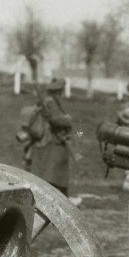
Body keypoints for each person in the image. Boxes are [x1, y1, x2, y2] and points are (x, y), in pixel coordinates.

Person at [24, 77, 82, 205]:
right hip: (49, 140)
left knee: (48, 172)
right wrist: (67, 119)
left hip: (45, 139)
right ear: (58, 91)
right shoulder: (51, 102)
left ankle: (60, 197)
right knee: (55, 168)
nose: (61, 94)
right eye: (60, 92)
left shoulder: (46, 100)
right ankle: (61, 198)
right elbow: (56, 120)